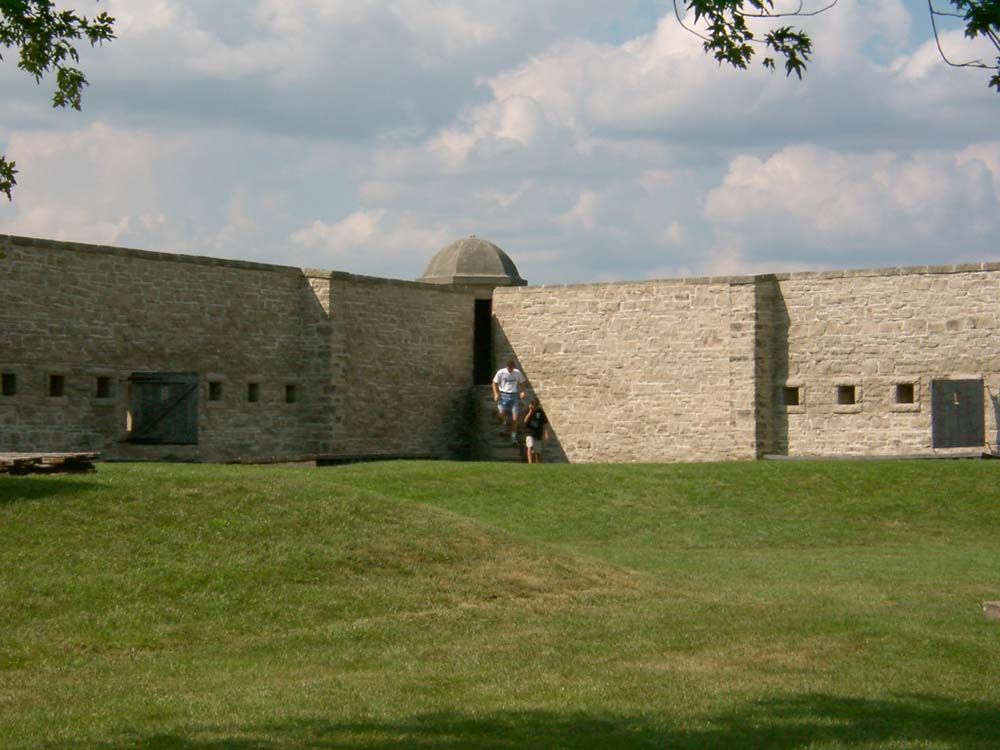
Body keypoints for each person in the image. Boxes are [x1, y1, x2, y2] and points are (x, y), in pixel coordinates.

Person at [492, 359, 526, 444]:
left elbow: (522, 382)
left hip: (513, 395)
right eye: (509, 368)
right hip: (503, 394)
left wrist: (522, 391)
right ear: (507, 367)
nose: (510, 370)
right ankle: (505, 423)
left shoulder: (517, 372)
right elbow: (494, 383)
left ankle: (513, 436)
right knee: (501, 413)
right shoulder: (501, 372)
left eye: (512, 368)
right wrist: (496, 394)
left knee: (515, 417)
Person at [522, 397, 549, 463]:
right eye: (532, 404)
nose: (533, 406)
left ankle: (537, 463)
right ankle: (530, 463)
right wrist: (530, 412)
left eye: (535, 405)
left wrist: (545, 433)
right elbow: (525, 421)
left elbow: (545, 423)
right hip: (529, 432)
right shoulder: (527, 410)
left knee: (537, 451)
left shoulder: (540, 412)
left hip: (538, 433)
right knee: (530, 446)